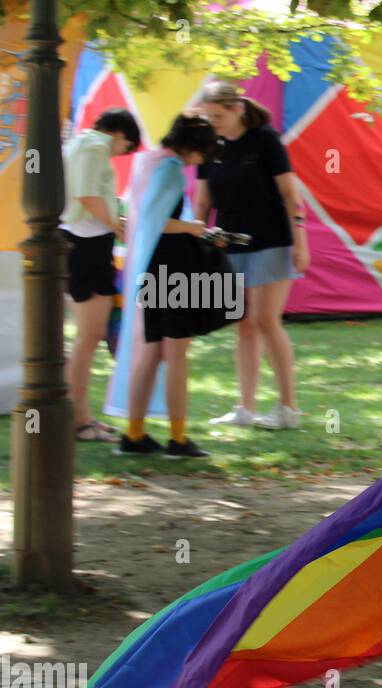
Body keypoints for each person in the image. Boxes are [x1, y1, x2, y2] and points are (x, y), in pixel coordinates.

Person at [108, 114, 228, 459]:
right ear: (192, 148)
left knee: (150, 351)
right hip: (172, 272)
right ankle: (177, 438)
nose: (201, 161)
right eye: (202, 153)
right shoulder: (171, 169)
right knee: (176, 355)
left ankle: (134, 433)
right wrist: (194, 228)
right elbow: (158, 222)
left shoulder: (148, 162)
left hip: (150, 270)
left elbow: (144, 220)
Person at [196, 81, 308, 430]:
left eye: (217, 116)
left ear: (237, 110)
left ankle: (288, 409)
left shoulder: (265, 140)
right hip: (230, 244)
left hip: (273, 240)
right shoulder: (208, 146)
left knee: (265, 321)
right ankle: (244, 408)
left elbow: (291, 194)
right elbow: (202, 201)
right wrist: (198, 240)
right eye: (207, 116)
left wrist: (301, 241)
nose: (211, 122)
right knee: (243, 325)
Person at [60, 108, 141, 442]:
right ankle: (78, 420)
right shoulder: (94, 147)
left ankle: (81, 416)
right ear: (121, 134)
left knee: (88, 336)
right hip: (87, 244)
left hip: (82, 241)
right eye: (126, 147)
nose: (121, 154)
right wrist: (117, 227)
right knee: (89, 336)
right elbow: (88, 195)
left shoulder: (78, 143)